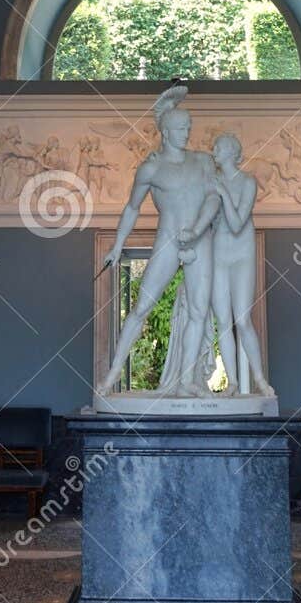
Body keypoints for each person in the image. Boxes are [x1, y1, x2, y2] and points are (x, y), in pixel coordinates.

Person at [97, 85, 215, 396]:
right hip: (169, 240)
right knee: (141, 308)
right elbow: (132, 208)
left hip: (200, 240)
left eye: (188, 127)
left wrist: (199, 230)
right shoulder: (151, 168)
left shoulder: (203, 161)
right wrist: (118, 245)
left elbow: (214, 198)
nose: (186, 133)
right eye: (181, 128)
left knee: (199, 311)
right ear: (165, 131)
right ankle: (111, 377)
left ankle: (187, 381)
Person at [180, 133, 274, 398]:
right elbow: (203, 216)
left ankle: (260, 380)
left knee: (242, 320)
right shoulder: (212, 181)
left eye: (219, 147)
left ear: (233, 152)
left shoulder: (247, 182)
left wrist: (222, 192)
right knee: (223, 322)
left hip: (241, 254)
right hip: (218, 254)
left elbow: (237, 224)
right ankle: (232, 382)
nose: (214, 151)